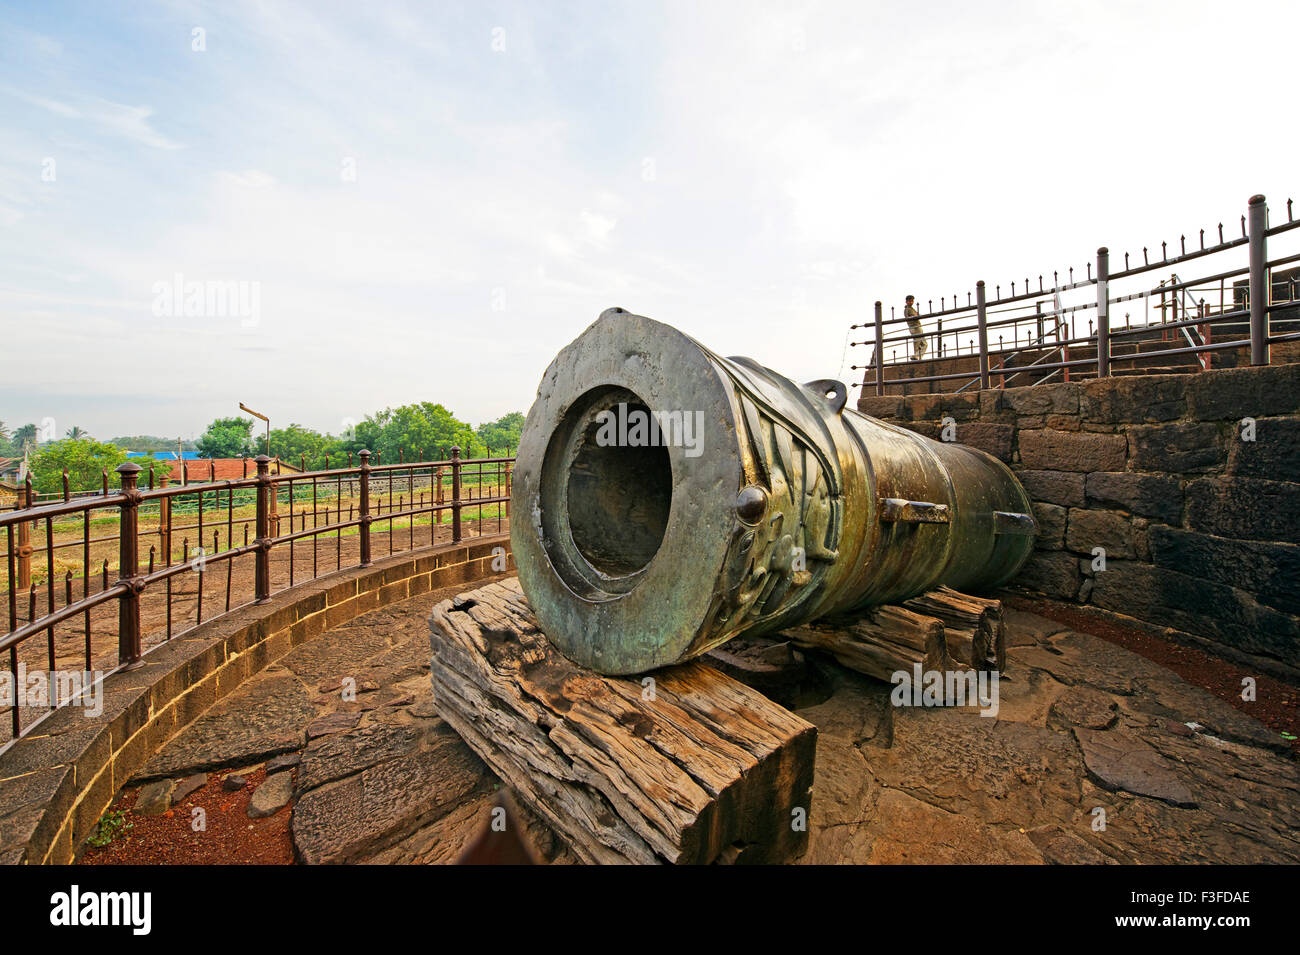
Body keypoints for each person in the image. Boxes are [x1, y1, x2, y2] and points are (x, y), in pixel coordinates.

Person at [904, 295, 927, 360]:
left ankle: (917, 356)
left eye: (912, 301)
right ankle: (916, 356)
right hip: (914, 327)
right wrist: (914, 316)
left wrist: (916, 315)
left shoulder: (912, 309)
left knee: (924, 343)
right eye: (910, 301)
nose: (911, 302)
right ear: (906, 301)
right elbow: (907, 318)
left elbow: (917, 315)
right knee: (917, 342)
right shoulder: (907, 309)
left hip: (917, 327)